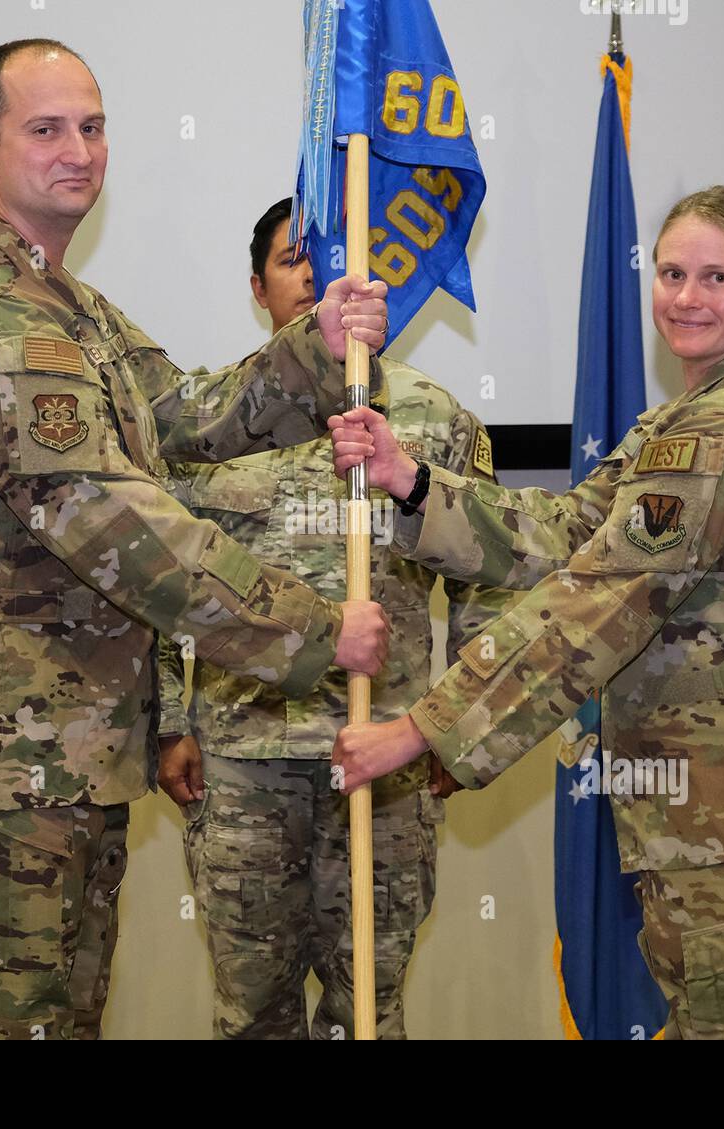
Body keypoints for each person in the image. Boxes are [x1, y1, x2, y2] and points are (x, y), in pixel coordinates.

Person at [0, 39, 391, 1040]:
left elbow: (182, 415)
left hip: (66, 752)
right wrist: (306, 628)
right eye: (45, 130)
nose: (78, 150)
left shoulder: (66, 306)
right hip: (9, 764)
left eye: (93, 125)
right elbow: (113, 517)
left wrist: (313, 347)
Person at [328, 186, 724, 1040]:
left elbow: (603, 602)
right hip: (714, 821)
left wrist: (425, 728)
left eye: (717, 277)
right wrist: (415, 482)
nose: (686, 297)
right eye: (671, 272)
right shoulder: (684, 419)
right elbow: (568, 534)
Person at [155, 199, 511, 1039]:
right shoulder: (208, 429)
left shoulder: (438, 422)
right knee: (253, 1016)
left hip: (386, 767)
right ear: (257, 286)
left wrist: (457, 730)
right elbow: (157, 583)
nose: (317, 273)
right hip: (244, 768)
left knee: (369, 1016)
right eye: (293, 259)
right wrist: (169, 720)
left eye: (336, 256)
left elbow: (487, 586)